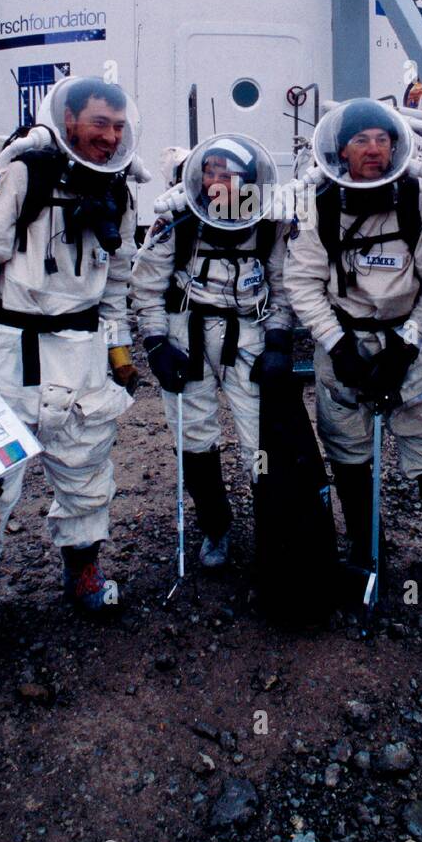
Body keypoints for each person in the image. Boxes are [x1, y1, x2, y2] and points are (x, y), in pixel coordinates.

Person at [0, 76, 140, 662]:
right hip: (9, 353)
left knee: (85, 466)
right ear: (69, 119)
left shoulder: (118, 192)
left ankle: (82, 570)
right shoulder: (23, 174)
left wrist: (119, 353)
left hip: (81, 354)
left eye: (119, 127)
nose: (110, 137)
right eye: (99, 123)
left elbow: (116, 285)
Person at [283, 98, 422, 606]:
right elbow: (302, 284)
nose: (373, 150)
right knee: (349, 449)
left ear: (395, 145)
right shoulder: (320, 206)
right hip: (343, 347)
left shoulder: (420, 201)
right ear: (341, 150)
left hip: (408, 347)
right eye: (360, 141)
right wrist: (339, 346)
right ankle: (367, 552)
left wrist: (408, 340)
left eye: (382, 139)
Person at [131, 135, 292, 568]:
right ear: (199, 175)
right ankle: (215, 525)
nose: (219, 180)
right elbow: (146, 286)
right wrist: (156, 344)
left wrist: (278, 341)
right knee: (195, 435)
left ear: (250, 179)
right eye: (212, 171)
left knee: (259, 440)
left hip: (250, 331)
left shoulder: (269, 221)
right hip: (188, 332)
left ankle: (270, 524)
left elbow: (283, 288)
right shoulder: (176, 217)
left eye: (231, 174)